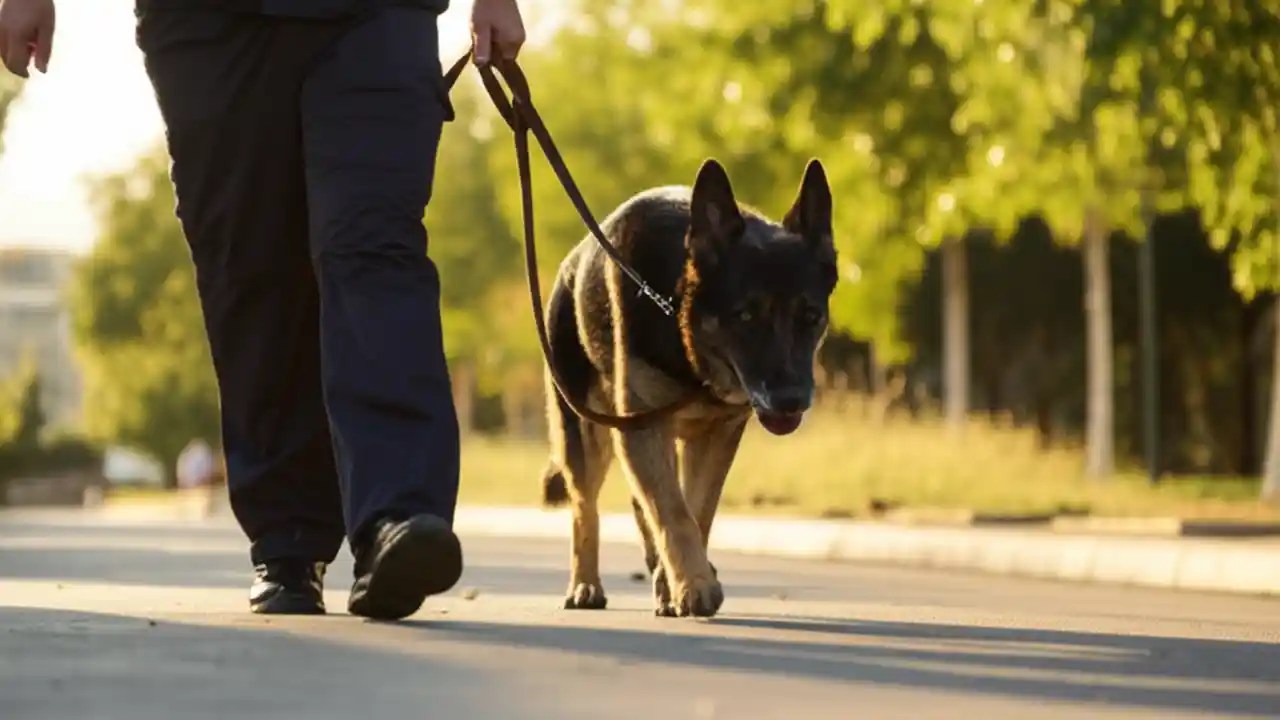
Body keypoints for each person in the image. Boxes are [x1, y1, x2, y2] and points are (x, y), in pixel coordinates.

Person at [0, 0, 525, 620]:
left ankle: (398, 516)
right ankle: (288, 542)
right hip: (207, 22)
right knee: (249, 264)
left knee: (373, 246)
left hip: (377, 14)